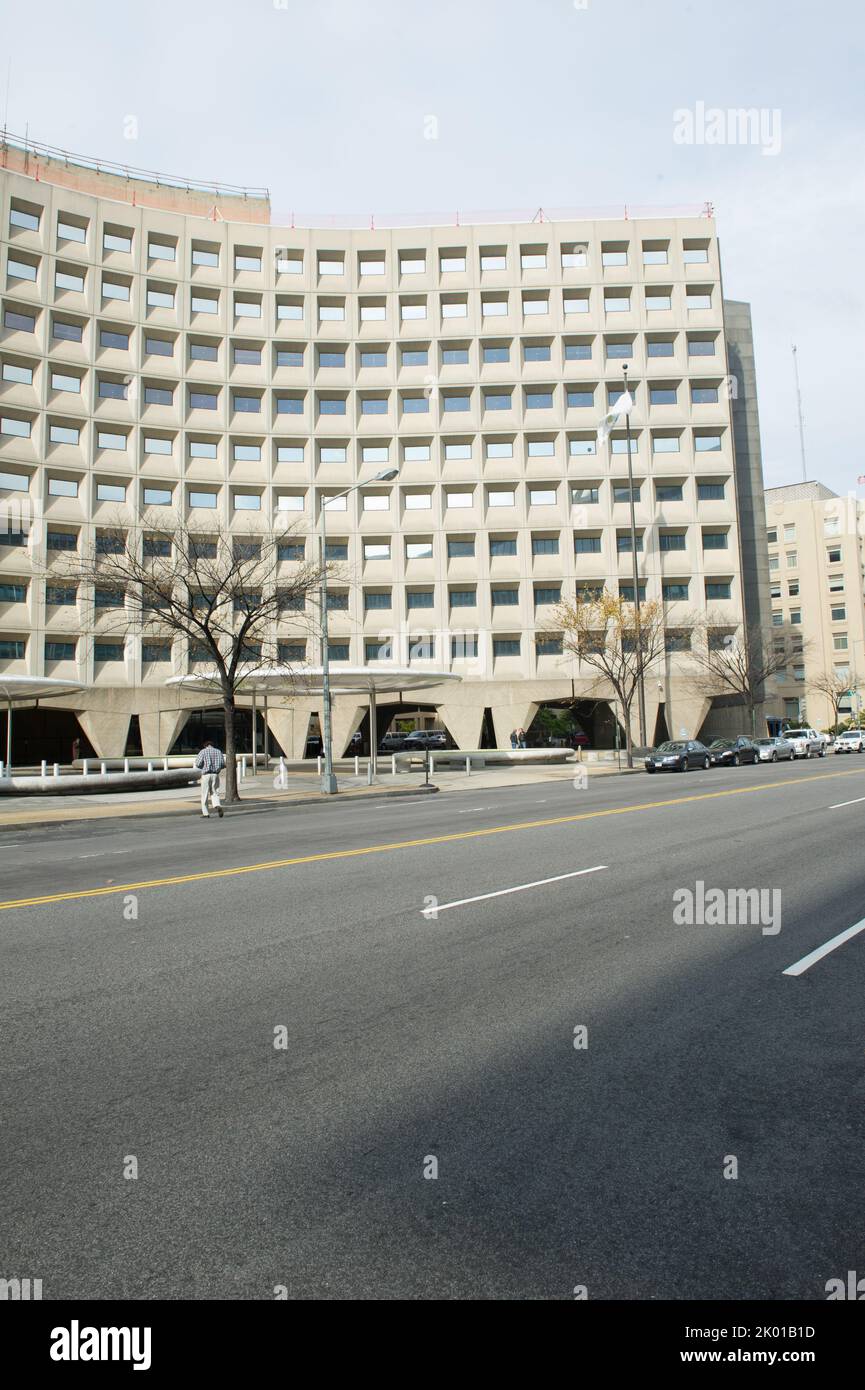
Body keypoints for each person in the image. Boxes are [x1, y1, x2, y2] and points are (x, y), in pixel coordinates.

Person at [195, 739, 225, 818]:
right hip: (215, 774)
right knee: (215, 792)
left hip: (206, 775)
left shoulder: (203, 751)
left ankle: (206, 813)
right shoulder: (218, 751)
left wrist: (204, 767)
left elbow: (198, 763)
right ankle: (217, 805)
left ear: (205, 745)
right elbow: (223, 764)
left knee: (204, 794)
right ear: (212, 745)